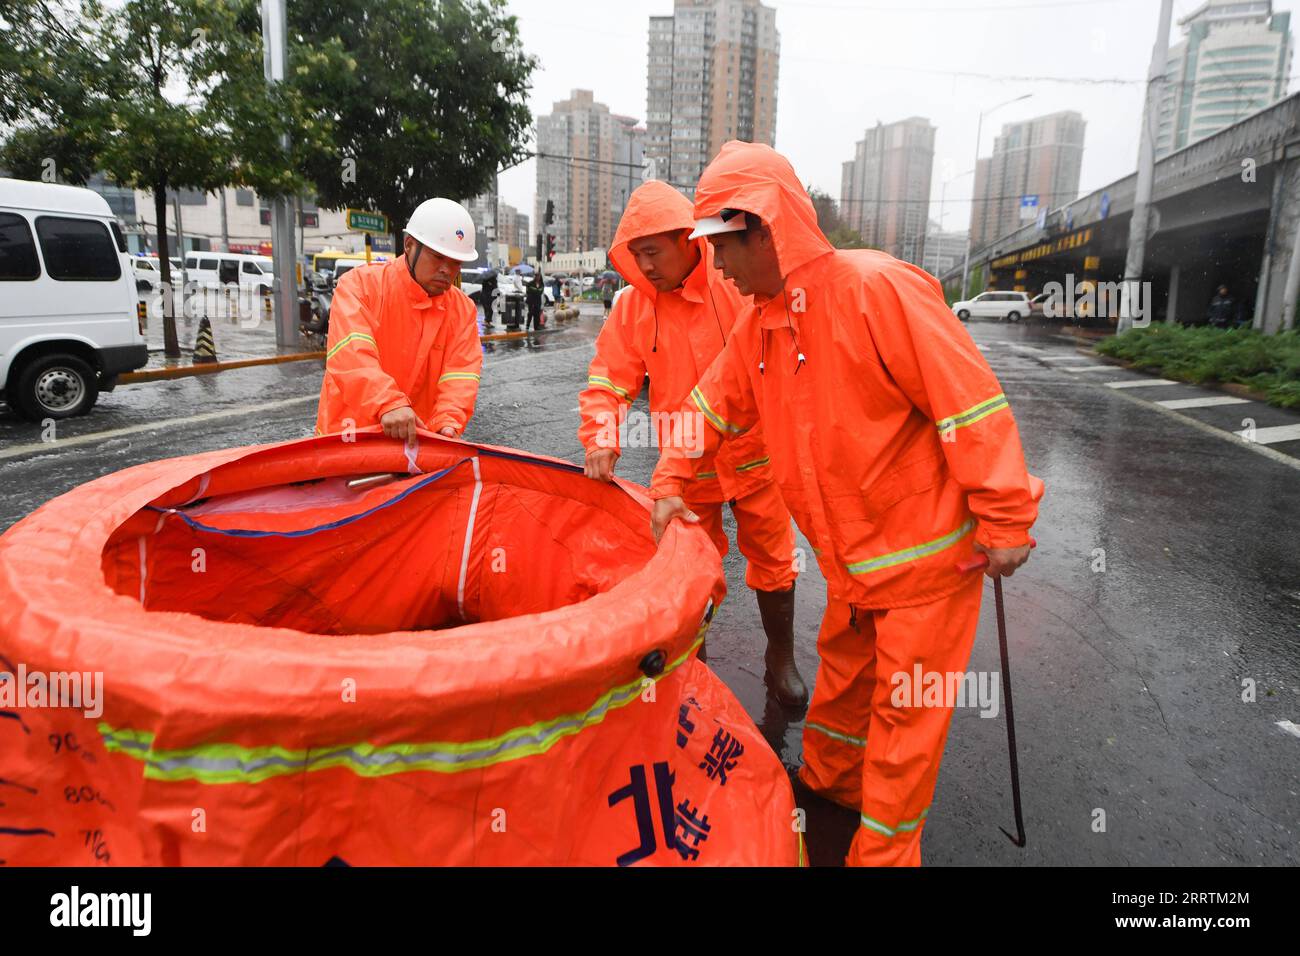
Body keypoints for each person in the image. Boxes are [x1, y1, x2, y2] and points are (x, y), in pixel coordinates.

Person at [648, 142, 1044, 866]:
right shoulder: (761, 322)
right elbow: (710, 404)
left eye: (724, 248)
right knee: (840, 696)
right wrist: (670, 478)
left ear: (763, 227)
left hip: (928, 568)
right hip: (852, 563)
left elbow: (968, 402)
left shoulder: (875, 289)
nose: (719, 268)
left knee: (903, 726)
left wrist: (1007, 516)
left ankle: (882, 856)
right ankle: (828, 796)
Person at [578, 179, 808, 708]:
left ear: (689, 238)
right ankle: (693, 665)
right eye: (635, 256)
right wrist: (602, 435)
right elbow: (609, 381)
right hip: (686, 471)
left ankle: (781, 657)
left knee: (774, 559)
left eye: (653, 252)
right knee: (692, 569)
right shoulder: (634, 307)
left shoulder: (736, 278)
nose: (646, 266)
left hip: (755, 455)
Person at [315, 198, 482, 444]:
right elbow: (351, 355)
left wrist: (447, 423)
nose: (447, 270)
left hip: (414, 445)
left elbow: (460, 375)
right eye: (437, 257)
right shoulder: (360, 286)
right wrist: (388, 403)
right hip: (348, 441)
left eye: (456, 262)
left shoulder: (463, 310)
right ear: (409, 246)